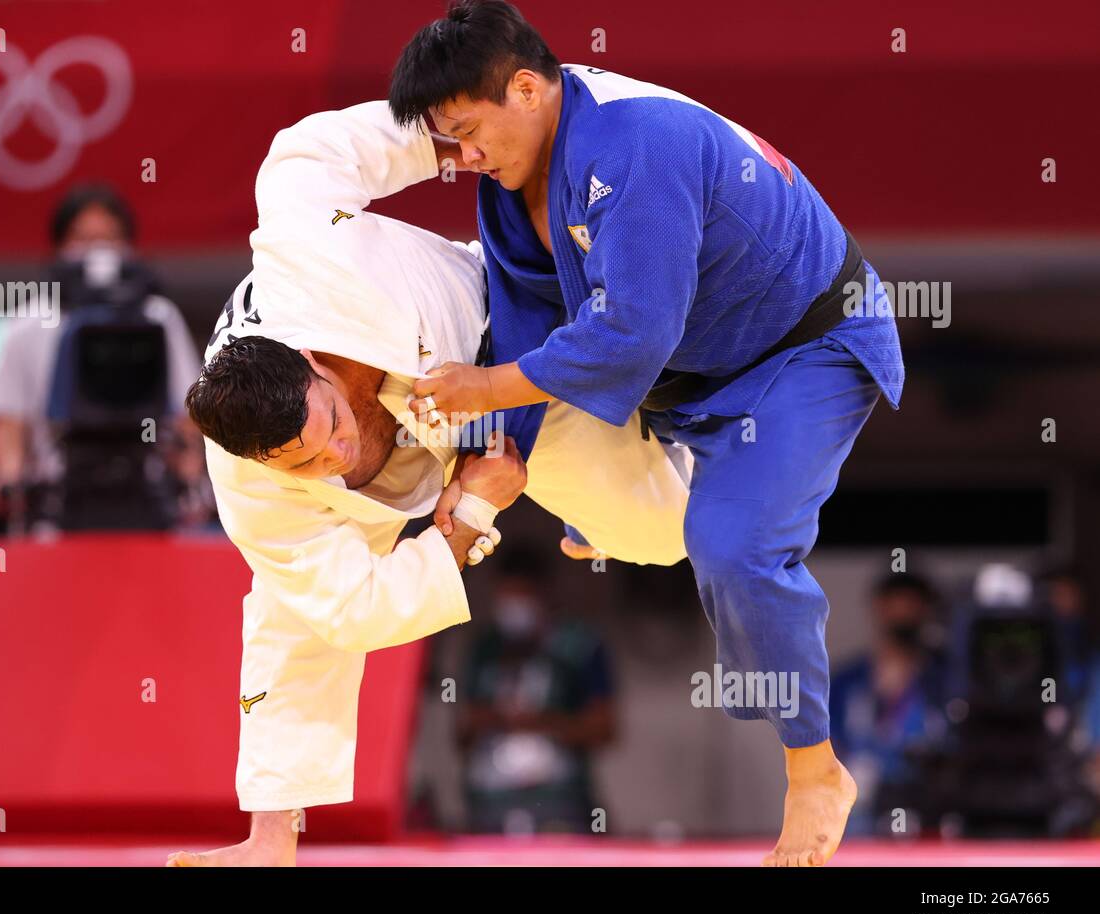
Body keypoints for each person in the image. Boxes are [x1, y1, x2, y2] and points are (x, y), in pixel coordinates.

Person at [389, 0, 904, 865]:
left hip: (804, 345)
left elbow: (629, 334)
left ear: (526, 88)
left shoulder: (636, 144)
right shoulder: (509, 188)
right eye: (449, 143)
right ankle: (620, 514)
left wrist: (482, 388)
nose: (463, 158)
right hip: (682, 379)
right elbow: (523, 326)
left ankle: (815, 769)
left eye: (471, 132)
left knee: (733, 550)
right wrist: (493, 462)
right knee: (550, 436)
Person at [165, 101, 691, 866]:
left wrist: (466, 134)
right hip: (470, 452)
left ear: (312, 362)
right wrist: (472, 510)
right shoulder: (253, 489)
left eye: (330, 430)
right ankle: (270, 841)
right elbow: (330, 625)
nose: (334, 460)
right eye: (304, 465)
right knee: (661, 537)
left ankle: (730, 401)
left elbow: (312, 146)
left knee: (664, 506)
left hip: (494, 336)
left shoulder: (305, 243)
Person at [0, 183, 204, 529]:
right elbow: (7, 418)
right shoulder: (28, 323)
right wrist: (9, 474)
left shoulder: (159, 318)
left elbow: (187, 412)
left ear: (128, 246)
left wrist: (190, 478)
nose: (97, 251)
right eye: (82, 239)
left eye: (109, 238)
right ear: (60, 247)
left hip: (147, 498)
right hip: (56, 503)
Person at [459, 543, 617, 833]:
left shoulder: (579, 646)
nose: (515, 606)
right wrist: (499, 718)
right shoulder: (485, 647)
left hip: (561, 802)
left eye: (523, 596)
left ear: (544, 594)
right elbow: (463, 730)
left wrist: (540, 723)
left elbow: (604, 728)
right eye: (508, 596)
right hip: (491, 802)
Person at [830, 573, 946, 835]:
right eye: (895, 601)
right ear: (878, 607)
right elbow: (827, 749)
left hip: (930, 815)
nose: (903, 610)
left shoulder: (945, 680)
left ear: (926, 609)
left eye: (913, 602)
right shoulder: (846, 681)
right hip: (860, 819)